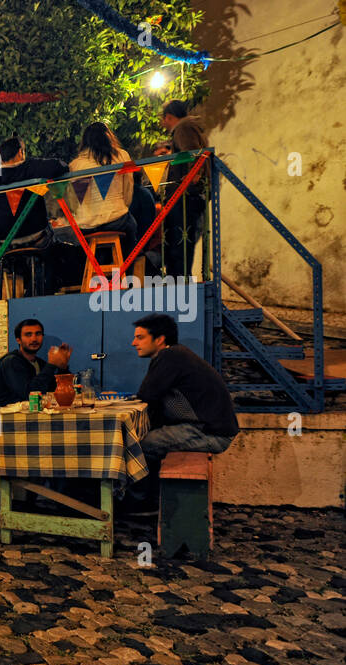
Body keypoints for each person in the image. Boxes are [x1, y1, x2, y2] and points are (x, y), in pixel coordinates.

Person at [0, 138, 75, 294]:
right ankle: (43, 291)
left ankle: (30, 291)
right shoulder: (32, 167)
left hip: (4, 243)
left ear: (0, 157)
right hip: (38, 239)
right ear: (20, 152)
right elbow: (61, 166)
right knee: (57, 247)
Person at [132, 313, 237, 462]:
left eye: (140, 337)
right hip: (209, 430)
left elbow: (146, 397)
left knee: (134, 444)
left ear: (160, 339)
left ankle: (138, 486)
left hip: (209, 433)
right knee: (144, 439)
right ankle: (153, 485)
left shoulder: (169, 356)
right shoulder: (176, 354)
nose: (133, 343)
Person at [155, 100, 209, 277]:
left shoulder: (182, 128)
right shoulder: (191, 127)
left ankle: (178, 288)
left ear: (169, 117)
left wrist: (192, 177)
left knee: (179, 246)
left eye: (164, 120)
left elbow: (192, 152)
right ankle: (179, 286)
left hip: (185, 196)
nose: (163, 124)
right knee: (182, 244)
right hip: (190, 194)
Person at [67, 122, 138, 253]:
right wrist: (123, 207)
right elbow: (128, 191)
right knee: (132, 226)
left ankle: (95, 270)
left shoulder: (75, 165)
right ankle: (126, 270)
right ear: (109, 137)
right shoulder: (122, 156)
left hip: (86, 226)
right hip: (117, 220)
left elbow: (73, 202)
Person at [0, 319, 73, 413]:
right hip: (2, 420)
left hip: (29, 417)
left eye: (38, 334)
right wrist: (51, 365)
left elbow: (54, 392)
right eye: (28, 335)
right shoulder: (11, 362)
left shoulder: (40, 364)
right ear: (18, 339)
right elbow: (29, 394)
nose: (34, 339)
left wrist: (62, 368)